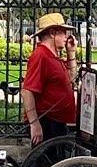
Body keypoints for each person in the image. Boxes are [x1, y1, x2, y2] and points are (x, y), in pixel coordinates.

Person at [20, 12, 79, 146]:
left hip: (57, 122)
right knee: (43, 165)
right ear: (53, 33)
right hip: (47, 121)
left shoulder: (53, 56)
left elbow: (70, 78)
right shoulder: (41, 55)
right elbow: (27, 91)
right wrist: (35, 124)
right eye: (63, 32)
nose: (66, 36)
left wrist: (71, 53)